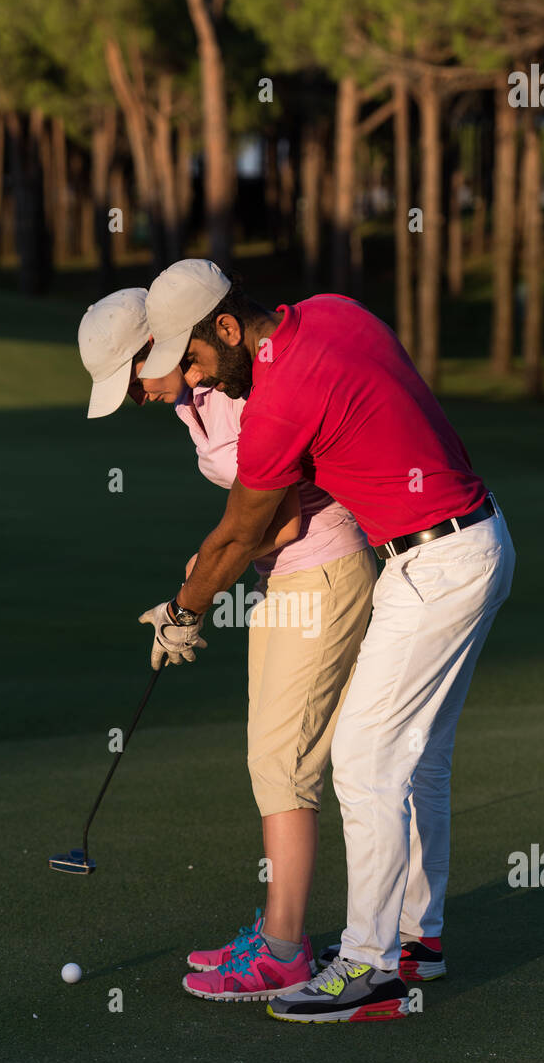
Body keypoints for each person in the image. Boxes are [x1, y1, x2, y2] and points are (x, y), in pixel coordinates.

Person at [138, 260, 516, 1023]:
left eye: (196, 359)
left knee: (363, 758)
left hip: (433, 563)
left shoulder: (277, 403)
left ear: (225, 326)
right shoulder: (334, 308)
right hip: (479, 536)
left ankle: (370, 968)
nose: (195, 377)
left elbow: (243, 532)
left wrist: (183, 611)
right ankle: (419, 940)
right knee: (418, 757)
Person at [77, 281, 377, 1002]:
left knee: (285, 762)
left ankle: (283, 951)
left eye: (132, 380)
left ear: (164, 347)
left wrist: (193, 594)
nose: (134, 399)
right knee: (269, 758)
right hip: (285, 581)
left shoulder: (238, 390)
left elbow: (272, 521)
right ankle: (278, 929)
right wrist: (201, 573)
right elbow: (246, 512)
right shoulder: (192, 397)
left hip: (324, 573)